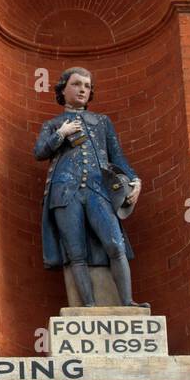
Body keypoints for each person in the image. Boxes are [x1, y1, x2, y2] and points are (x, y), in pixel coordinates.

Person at [34, 66, 146, 308]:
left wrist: (135, 180)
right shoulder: (53, 124)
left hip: (98, 189)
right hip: (64, 192)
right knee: (76, 252)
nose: (82, 89)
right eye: (76, 84)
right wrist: (61, 134)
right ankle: (88, 306)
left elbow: (117, 156)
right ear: (63, 89)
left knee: (115, 245)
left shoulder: (101, 122)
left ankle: (127, 302)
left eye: (86, 85)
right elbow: (39, 152)